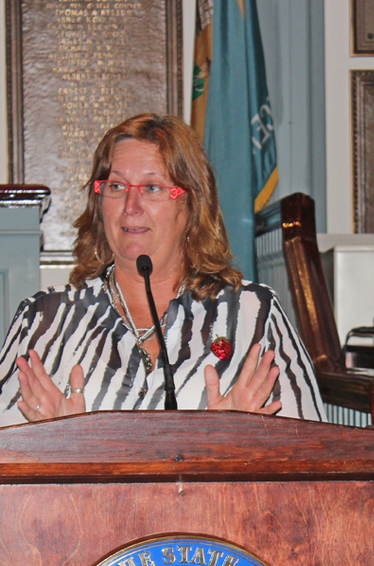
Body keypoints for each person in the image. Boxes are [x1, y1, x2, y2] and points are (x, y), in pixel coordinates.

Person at [0, 113, 325, 424]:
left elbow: (317, 461)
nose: (130, 206)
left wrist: (234, 446)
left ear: (192, 205)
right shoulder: (46, 318)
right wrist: (55, 444)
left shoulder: (253, 314)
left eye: (152, 188)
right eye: (116, 187)